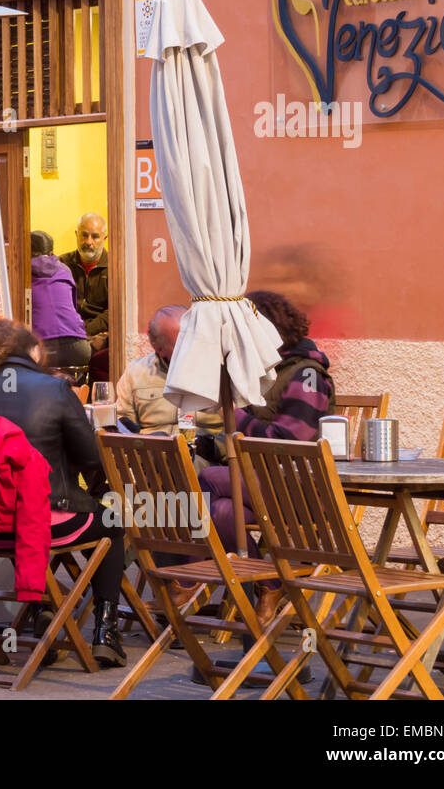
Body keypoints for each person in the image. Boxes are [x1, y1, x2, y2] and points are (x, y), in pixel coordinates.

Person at [0, 318, 127, 668]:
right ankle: (105, 631)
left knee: (14, 509)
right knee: (113, 519)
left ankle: (43, 609)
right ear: (31, 350)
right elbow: (93, 457)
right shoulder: (55, 389)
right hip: (47, 518)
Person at [197, 291, 335, 627]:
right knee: (221, 510)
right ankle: (270, 583)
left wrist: (236, 417)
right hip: (261, 483)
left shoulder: (306, 375)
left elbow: (289, 441)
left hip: (299, 488)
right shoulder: (262, 370)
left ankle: (189, 580)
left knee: (207, 481)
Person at [115, 304, 188, 435]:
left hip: (205, 453)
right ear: (158, 348)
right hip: (152, 451)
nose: (188, 347)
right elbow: (122, 424)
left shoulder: (218, 370)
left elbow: (233, 424)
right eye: (180, 344)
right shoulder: (135, 373)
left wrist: (213, 446)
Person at [59, 213, 111, 379]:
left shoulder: (115, 266)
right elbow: (57, 306)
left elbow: (113, 311)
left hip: (101, 336)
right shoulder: (61, 265)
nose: (89, 242)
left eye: (95, 237)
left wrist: (86, 331)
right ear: (76, 234)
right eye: (84, 235)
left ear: (105, 238)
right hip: (69, 335)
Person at [30, 230, 90, 372]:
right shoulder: (64, 270)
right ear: (51, 253)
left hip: (44, 347)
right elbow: (73, 307)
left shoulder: (22, 271)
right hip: (79, 348)